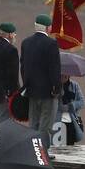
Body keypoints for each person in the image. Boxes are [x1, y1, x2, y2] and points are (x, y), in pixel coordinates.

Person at [21, 13, 61, 142]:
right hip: (47, 91)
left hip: (31, 90)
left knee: (33, 123)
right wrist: (56, 88)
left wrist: (26, 84)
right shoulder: (51, 44)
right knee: (45, 123)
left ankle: (32, 150)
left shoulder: (26, 43)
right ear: (48, 28)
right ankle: (42, 152)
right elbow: (54, 68)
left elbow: (23, 66)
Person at [59, 74, 85, 144]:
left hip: (71, 120)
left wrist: (71, 105)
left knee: (70, 143)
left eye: (66, 75)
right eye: (62, 74)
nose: (64, 76)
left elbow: (82, 102)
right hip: (57, 120)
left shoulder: (74, 85)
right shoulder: (53, 86)